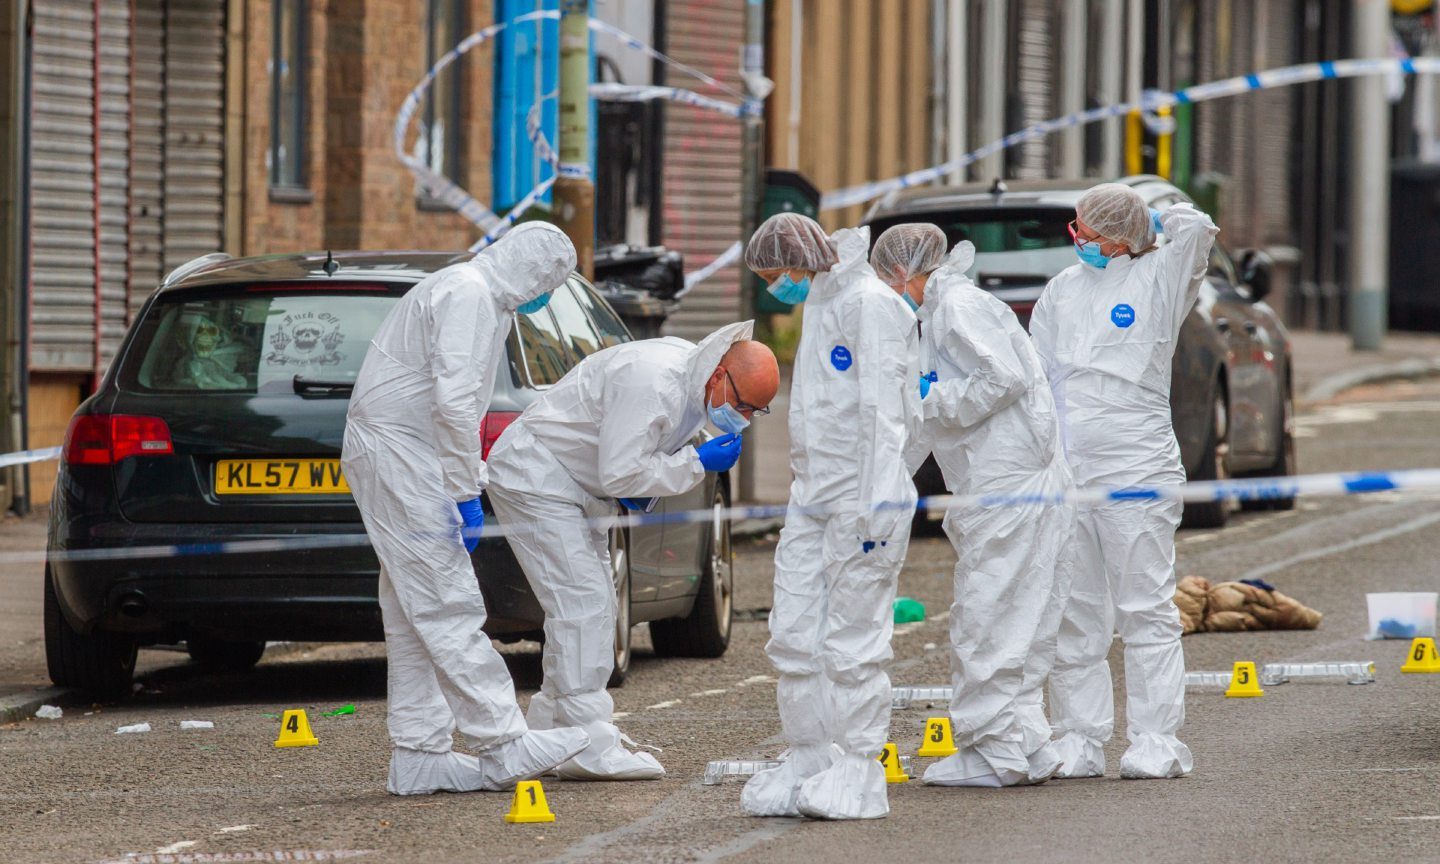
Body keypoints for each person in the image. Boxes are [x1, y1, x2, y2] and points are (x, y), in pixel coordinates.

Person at [341, 222, 591, 796]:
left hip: (402, 451)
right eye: (549, 282)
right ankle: (503, 742)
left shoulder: (478, 295)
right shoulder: (469, 294)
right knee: (447, 603)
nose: (545, 295)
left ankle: (419, 754)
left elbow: (457, 403)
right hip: (401, 453)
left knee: (412, 610)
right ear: (532, 269)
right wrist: (462, 490)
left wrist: (459, 480)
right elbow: (454, 404)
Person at [485, 321, 778, 781]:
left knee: (595, 607)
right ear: (721, 375)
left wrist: (673, 471)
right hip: (537, 476)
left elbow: (629, 468)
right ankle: (584, 744)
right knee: (581, 605)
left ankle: (554, 733)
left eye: (755, 411)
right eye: (743, 405)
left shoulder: (693, 384)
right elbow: (621, 473)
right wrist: (696, 462)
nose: (743, 417)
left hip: (576, 485)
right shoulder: (656, 382)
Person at [870, 224, 1074, 787]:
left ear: (904, 270)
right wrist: (886, 478)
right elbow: (920, 423)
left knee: (988, 615)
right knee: (1023, 616)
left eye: (887, 277)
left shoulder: (956, 307)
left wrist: (930, 398)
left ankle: (992, 750)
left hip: (1006, 482)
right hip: (1015, 479)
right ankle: (1027, 742)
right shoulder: (943, 313)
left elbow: (1000, 379)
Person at [1029, 183, 1219, 779]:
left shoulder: (1161, 277)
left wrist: (1148, 218)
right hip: (1070, 470)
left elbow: (1198, 229)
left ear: (1118, 237)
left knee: (1144, 606)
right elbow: (1038, 378)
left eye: (1087, 230)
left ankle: (1156, 739)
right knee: (1076, 611)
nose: (1077, 238)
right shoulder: (1062, 289)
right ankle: (1079, 738)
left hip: (1136, 467)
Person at [741, 213, 921, 820]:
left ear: (799, 259)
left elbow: (884, 413)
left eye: (775, 274)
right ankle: (809, 755)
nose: (774, 287)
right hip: (813, 494)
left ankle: (859, 769)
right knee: (794, 637)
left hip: (862, 499)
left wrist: (877, 501)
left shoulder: (870, 304)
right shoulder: (822, 298)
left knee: (853, 642)